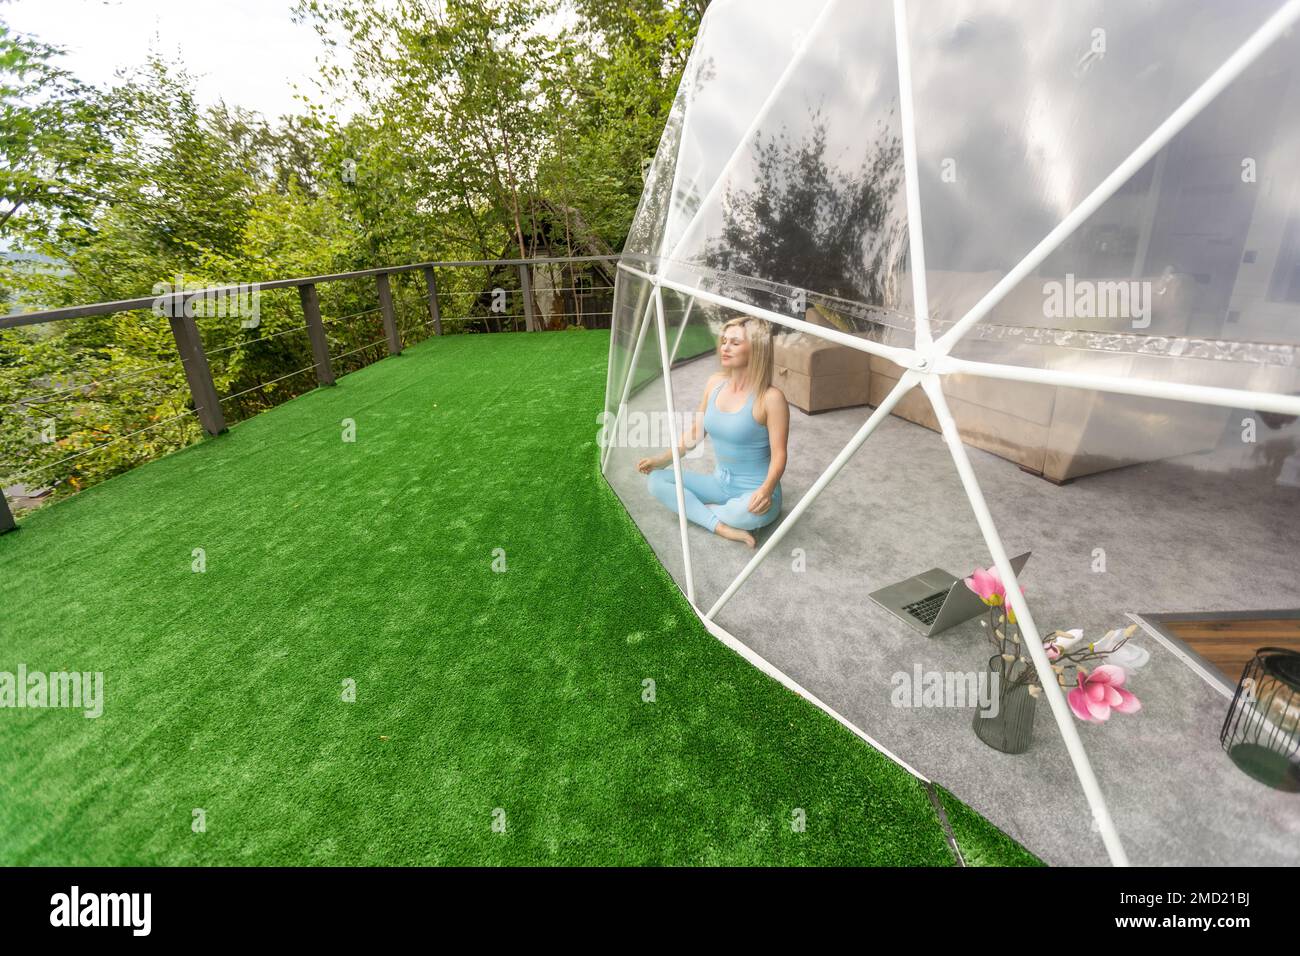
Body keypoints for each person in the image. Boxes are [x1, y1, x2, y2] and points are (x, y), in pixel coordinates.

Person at [637, 316, 789, 548]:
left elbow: (779, 455)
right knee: (656, 480)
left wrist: (767, 490)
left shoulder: (771, 398)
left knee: (745, 515)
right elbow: (696, 433)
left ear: (757, 349)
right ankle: (720, 526)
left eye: (735, 343)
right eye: (724, 340)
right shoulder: (714, 383)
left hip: (756, 492)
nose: (725, 347)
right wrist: (661, 460)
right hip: (719, 484)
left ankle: (697, 510)